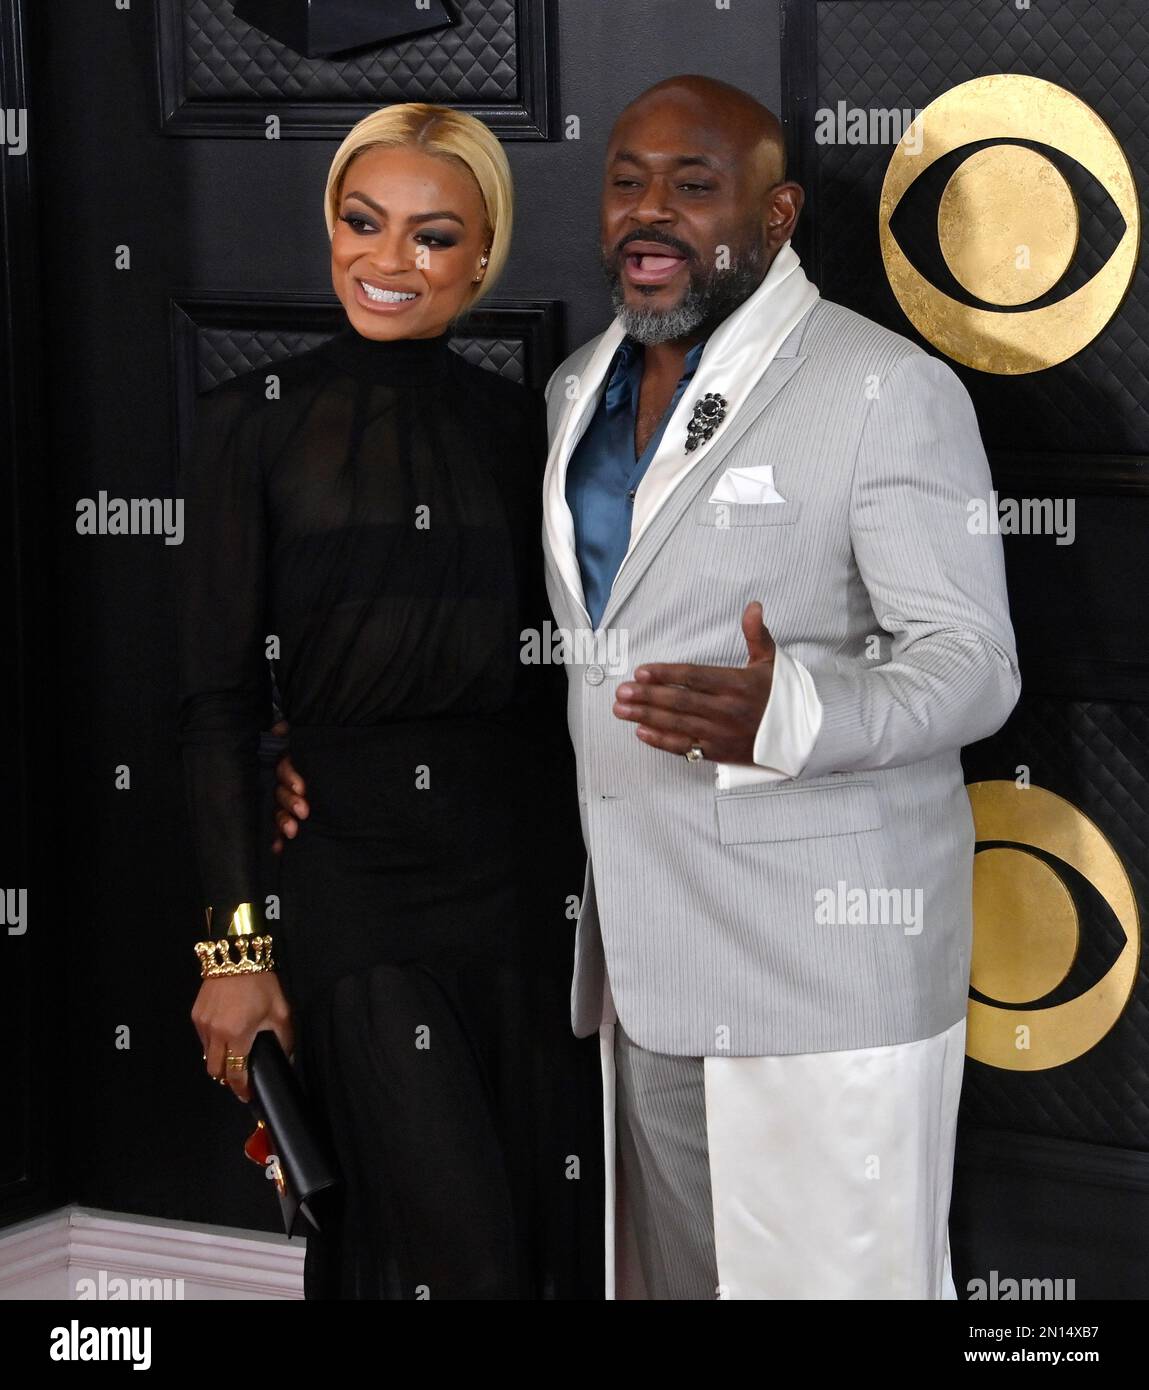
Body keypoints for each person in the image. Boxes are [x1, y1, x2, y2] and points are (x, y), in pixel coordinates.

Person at [276, 74, 1021, 1300]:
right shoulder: (577, 390)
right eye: (627, 182)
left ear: (776, 215)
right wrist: (300, 737)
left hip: (823, 967)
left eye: (693, 184)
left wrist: (794, 711)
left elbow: (974, 662)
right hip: (638, 968)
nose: (649, 212)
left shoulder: (885, 388)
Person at [179, 101, 600, 1301]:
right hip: (352, 888)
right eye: (362, 224)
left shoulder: (532, 431)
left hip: (521, 887)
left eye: (431, 236)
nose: (387, 260)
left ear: (482, 257)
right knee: (439, 1247)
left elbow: (561, 671)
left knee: (533, 1239)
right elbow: (211, 701)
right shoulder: (247, 427)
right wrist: (234, 950)